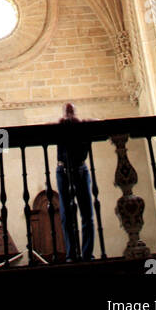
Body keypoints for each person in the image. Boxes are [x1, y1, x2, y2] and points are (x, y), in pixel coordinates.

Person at [56, 101, 95, 262]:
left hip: (80, 169)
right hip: (63, 170)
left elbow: (98, 122)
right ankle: (71, 254)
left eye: (71, 111)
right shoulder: (59, 127)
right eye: (67, 111)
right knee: (66, 215)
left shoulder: (82, 126)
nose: (69, 114)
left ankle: (87, 254)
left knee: (87, 214)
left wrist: (83, 123)